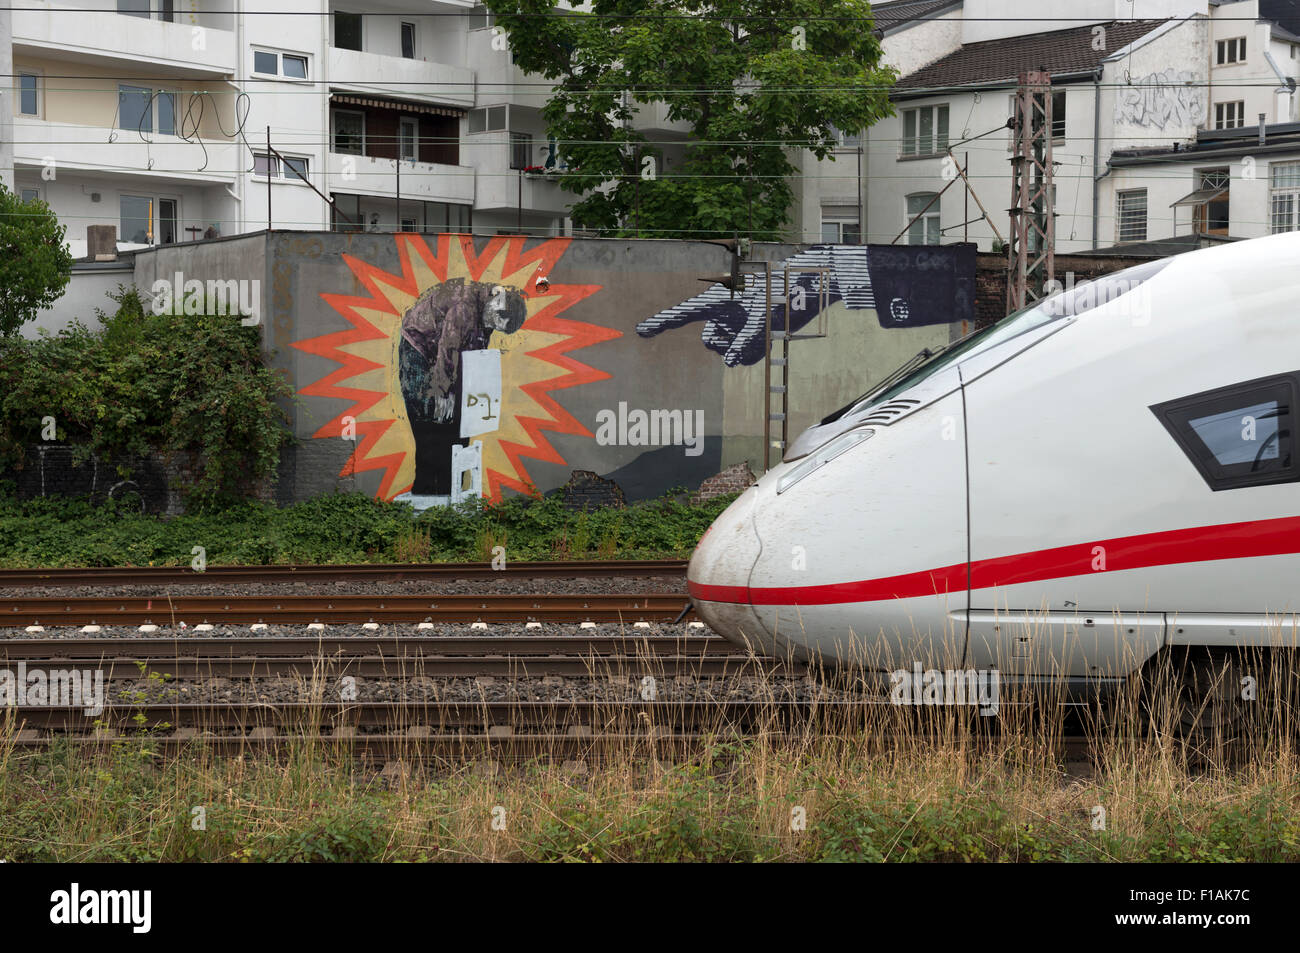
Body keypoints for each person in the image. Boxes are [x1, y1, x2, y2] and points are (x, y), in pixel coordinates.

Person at [398, 278, 528, 496]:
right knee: (428, 417)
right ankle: (427, 489)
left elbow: (472, 357)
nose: (494, 329)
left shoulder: (490, 307)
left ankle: (450, 488)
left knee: (457, 419)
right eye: (496, 324)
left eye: (498, 329)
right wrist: (443, 394)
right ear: (495, 308)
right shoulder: (464, 309)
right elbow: (449, 351)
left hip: (443, 353)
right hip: (418, 349)